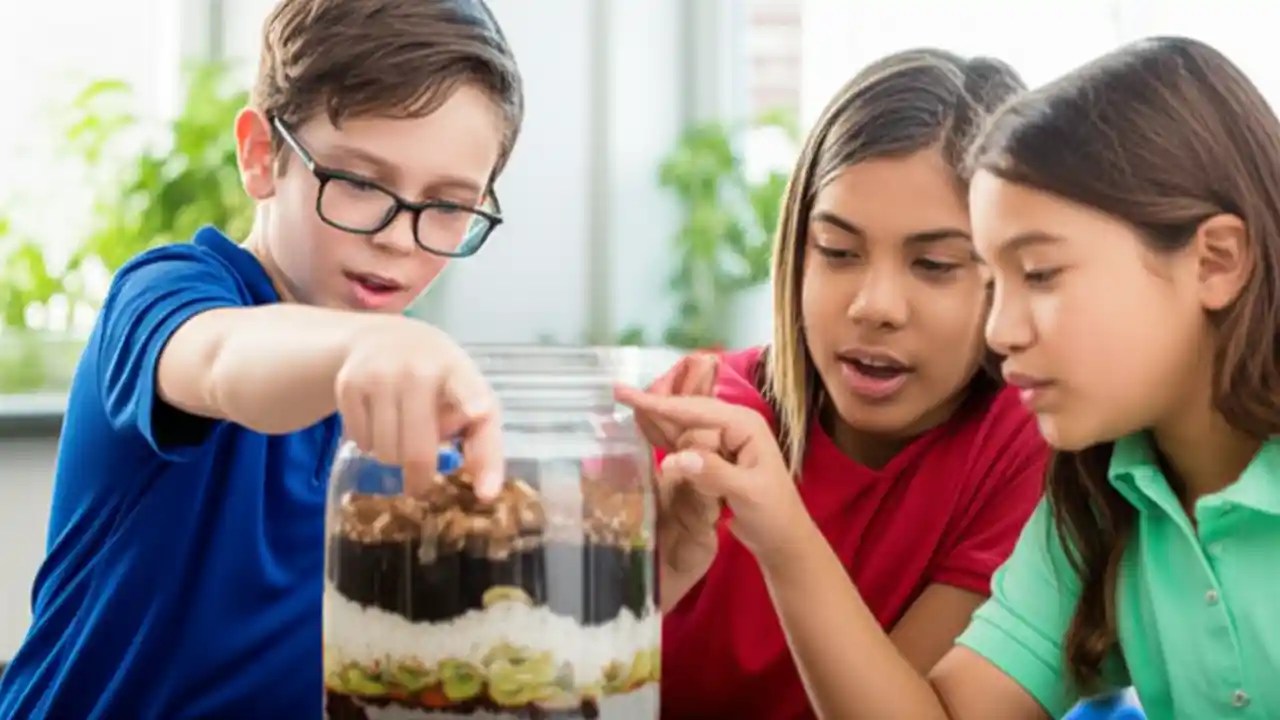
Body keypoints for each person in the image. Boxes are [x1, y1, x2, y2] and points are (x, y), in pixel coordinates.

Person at [620, 35, 1280, 719]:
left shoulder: (1041, 458)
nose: (1000, 329)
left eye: (1040, 274)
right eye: (838, 250)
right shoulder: (1099, 501)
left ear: (1215, 262)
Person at [0, 1, 523, 717]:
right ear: (260, 155)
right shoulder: (168, 295)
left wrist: (665, 578)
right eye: (363, 184)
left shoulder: (409, 396)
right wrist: (373, 346)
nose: (400, 239)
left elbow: (471, 655)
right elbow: (219, 362)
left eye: (448, 205)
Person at [642, 49, 1047, 720]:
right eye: (837, 252)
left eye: (935, 264)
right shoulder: (705, 414)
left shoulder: (1023, 447)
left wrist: (781, 532)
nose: (874, 305)